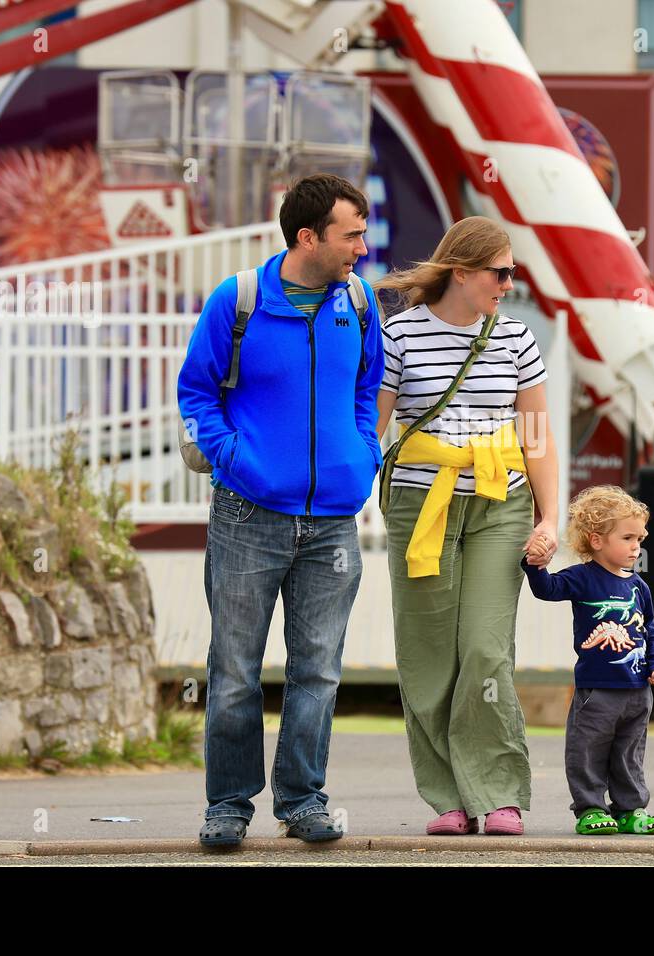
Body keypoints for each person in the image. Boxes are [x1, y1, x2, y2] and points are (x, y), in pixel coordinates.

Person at [177, 173, 384, 848]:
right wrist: (235, 457)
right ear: (308, 236)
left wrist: (363, 454)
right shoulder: (236, 302)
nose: (362, 245)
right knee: (235, 671)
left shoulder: (357, 300)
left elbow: (367, 385)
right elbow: (197, 393)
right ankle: (228, 807)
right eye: (352, 233)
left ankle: (303, 800)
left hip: (333, 522)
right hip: (247, 516)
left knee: (318, 670)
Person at [374, 216, 560, 836]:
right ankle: (447, 797)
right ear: (462, 272)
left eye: (512, 274)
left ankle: (497, 791)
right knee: (427, 653)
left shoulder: (515, 339)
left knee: (485, 647)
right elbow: (372, 427)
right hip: (419, 504)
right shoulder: (399, 336)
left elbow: (536, 435)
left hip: (497, 500)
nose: (508, 285)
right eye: (500, 272)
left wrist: (550, 515)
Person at [520, 485, 654, 836]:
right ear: (597, 540)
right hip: (597, 692)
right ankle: (590, 808)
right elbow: (547, 590)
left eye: (639, 538)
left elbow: (651, 629)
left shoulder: (639, 587)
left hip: (637, 691)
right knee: (587, 750)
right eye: (628, 537)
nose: (636, 546)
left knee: (629, 753)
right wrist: (534, 565)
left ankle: (630, 809)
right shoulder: (583, 576)